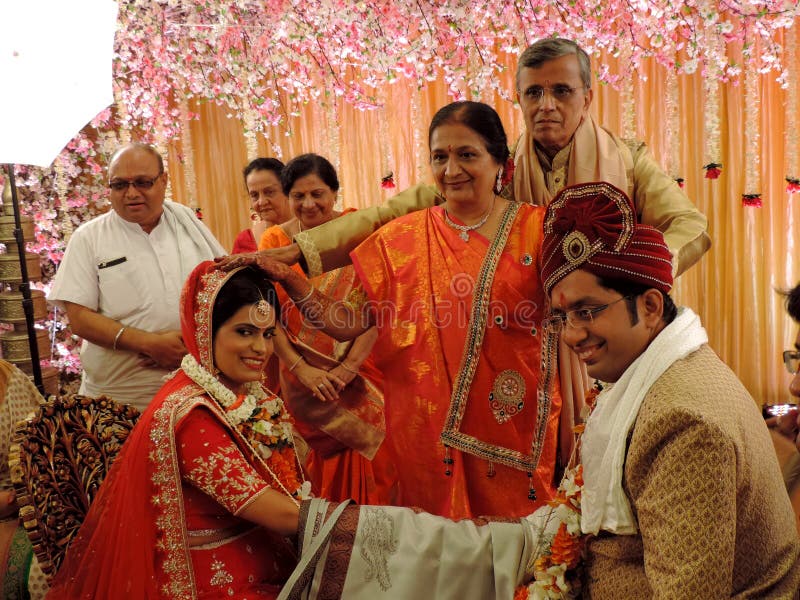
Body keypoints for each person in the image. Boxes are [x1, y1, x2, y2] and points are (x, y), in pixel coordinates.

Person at [228, 37, 711, 454]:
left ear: (586, 96)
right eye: (534, 92)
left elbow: (690, 224)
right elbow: (388, 214)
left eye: (561, 91)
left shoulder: (626, 160)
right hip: (523, 354)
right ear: (518, 98)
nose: (547, 104)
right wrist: (301, 251)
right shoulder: (497, 164)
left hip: (610, 339)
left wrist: (619, 282)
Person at [46, 261, 547, 599]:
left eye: (267, 334)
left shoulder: (250, 395)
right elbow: (286, 514)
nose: (259, 349)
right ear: (205, 332)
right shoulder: (192, 417)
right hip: (222, 583)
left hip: (274, 560)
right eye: (243, 332)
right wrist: (405, 535)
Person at [228, 101, 562, 520]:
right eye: (439, 157)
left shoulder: (538, 229)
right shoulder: (403, 237)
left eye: (467, 155)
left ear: (499, 161)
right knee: (436, 553)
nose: (451, 169)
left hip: (510, 424)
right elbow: (346, 323)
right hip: (424, 431)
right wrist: (292, 279)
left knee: (516, 557)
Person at [533, 181, 800, 597]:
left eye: (586, 312)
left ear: (651, 306)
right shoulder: (652, 375)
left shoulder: (684, 422)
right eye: (561, 317)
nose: (571, 335)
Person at [48, 143, 225, 411]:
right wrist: (150, 344)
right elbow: (80, 319)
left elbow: (225, 288)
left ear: (163, 180)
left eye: (143, 182)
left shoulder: (186, 222)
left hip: (193, 390)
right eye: (119, 185)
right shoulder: (89, 238)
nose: (131, 193)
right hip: (118, 400)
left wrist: (193, 344)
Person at [262, 153, 392, 504]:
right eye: (298, 196)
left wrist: (349, 367)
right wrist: (301, 369)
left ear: (334, 192)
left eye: (317, 193)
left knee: (378, 459)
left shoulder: (357, 231)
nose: (308, 204)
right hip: (303, 381)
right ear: (287, 198)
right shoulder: (275, 243)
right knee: (314, 476)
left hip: (363, 370)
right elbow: (267, 316)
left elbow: (379, 304)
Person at [0, 360, 48, 599]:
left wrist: (27, 492)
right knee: (38, 573)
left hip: (28, 504)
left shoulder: (7, 377)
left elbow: (45, 449)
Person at [231, 157, 291, 254]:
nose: (261, 202)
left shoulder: (308, 231)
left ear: (287, 190)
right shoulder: (245, 241)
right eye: (254, 195)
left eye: (269, 192)